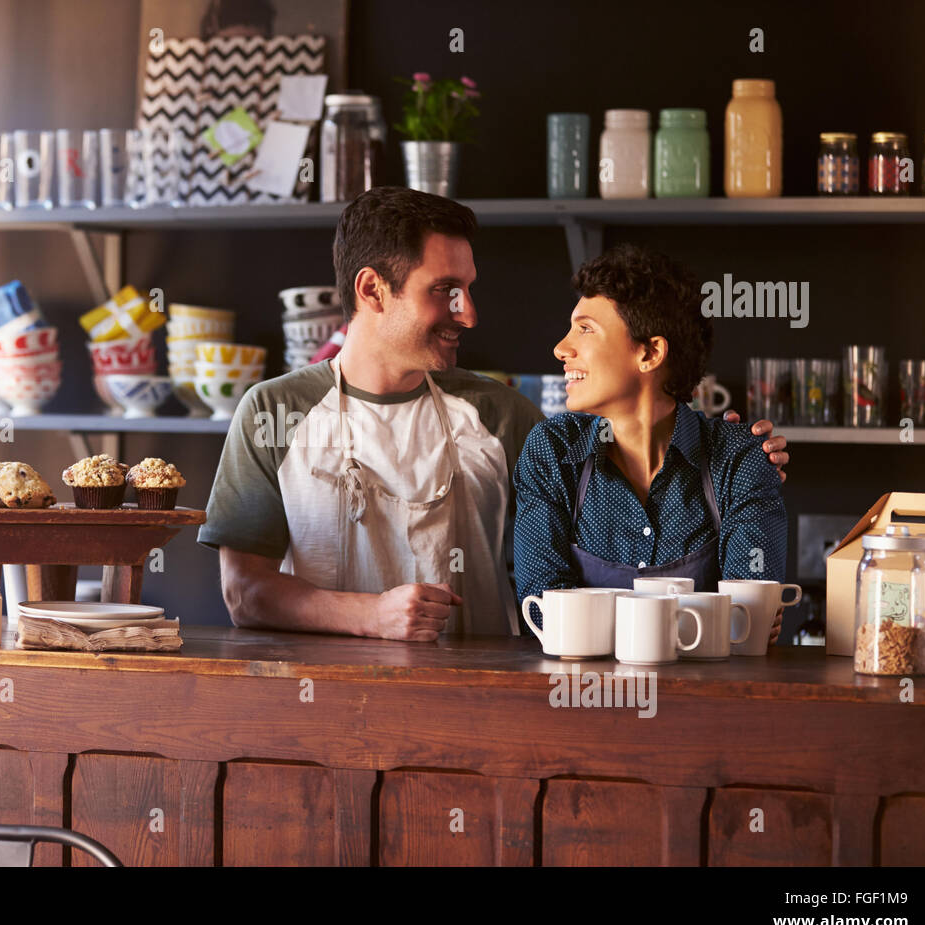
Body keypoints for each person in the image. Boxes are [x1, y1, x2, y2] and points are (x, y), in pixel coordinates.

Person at [199, 188, 790, 641]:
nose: (470, 314)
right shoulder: (273, 412)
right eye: (445, 290)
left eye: (470, 288)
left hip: (482, 714)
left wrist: (727, 454)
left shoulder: (503, 415)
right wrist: (371, 615)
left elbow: (623, 463)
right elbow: (244, 593)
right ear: (373, 290)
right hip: (320, 710)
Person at [513, 245, 789, 637]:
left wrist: (598, 620)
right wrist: (700, 620)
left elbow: (748, 624)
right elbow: (541, 609)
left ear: (650, 353)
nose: (561, 348)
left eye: (586, 329)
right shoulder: (553, 451)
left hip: (708, 698)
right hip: (581, 695)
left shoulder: (739, 457)